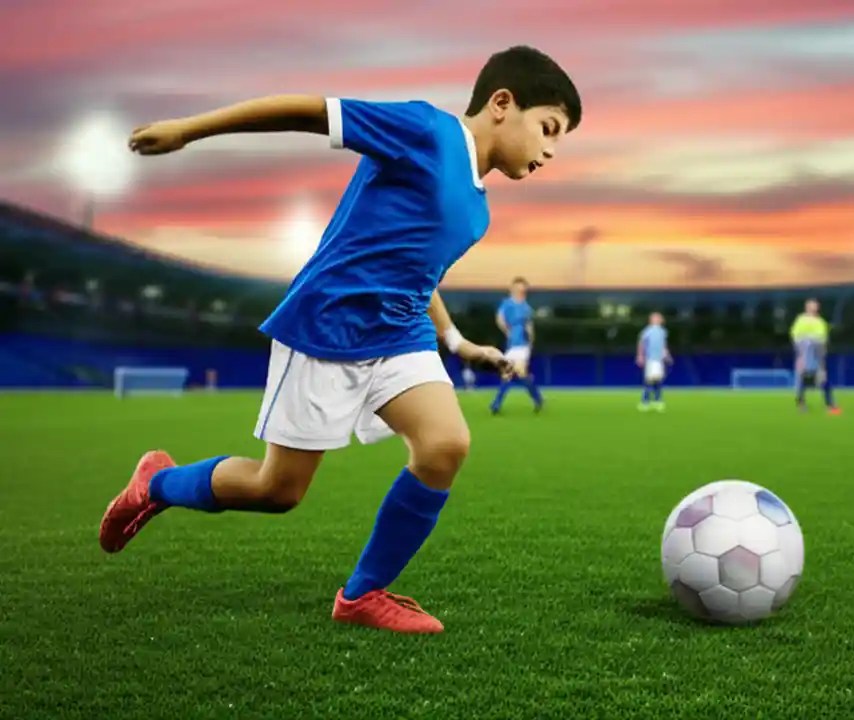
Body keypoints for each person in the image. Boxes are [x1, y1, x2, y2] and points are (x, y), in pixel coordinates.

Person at [98, 46, 581, 635]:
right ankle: (156, 483)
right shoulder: (427, 131)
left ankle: (362, 594)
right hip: (328, 325)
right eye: (548, 129)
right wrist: (189, 130)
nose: (550, 150)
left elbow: (417, 273)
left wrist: (456, 342)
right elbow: (309, 111)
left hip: (400, 332)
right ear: (502, 104)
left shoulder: (478, 211)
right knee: (277, 490)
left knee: (445, 445)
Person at [490, 276, 544, 414]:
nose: (521, 290)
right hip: (511, 344)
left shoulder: (526, 307)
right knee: (509, 373)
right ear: (513, 288)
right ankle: (537, 398)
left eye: (523, 288)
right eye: (518, 287)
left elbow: (529, 325)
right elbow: (499, 318)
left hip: (522, 344)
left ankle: (496, 404)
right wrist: (506, 330)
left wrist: (530, 341)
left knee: (517, 370)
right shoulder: (507, 303)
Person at [790, 299, 840, 415]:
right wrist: (807, 342)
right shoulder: (800, 320)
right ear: (806, 307)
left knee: (823, 379)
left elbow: (823, 338)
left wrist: (812, 340)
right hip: (804, 355)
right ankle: (801, 404)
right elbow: (796, 336)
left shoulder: (821, 322)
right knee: (803, 379)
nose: (814, 308)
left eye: (815, 306)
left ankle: (830, 405)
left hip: (817, 356)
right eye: (811, 306)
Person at [636, 312, 672, 412]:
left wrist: (667, 355)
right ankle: (645, 401)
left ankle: (657, 401)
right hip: (650, 359)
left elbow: (663, 345)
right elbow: (641, 343)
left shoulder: (663, 332)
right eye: (655, 318)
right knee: (649, 380)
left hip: (659, 359)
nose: (657, 319)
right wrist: (640, 356)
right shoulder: (647, 331)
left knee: (658, 379)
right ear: (651, 320)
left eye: (659, 318)